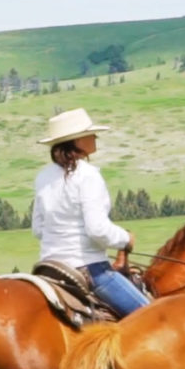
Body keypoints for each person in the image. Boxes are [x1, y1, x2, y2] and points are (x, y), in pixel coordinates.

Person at [30, 108, 149, 317]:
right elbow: (97, 229)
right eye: (89, 133)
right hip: (89, 269)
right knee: (154, 318)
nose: (95, 136)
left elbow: (39, 229)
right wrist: (125, 239)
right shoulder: (88, 175)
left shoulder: (43, 177)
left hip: (49, 268)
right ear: (77, 141)